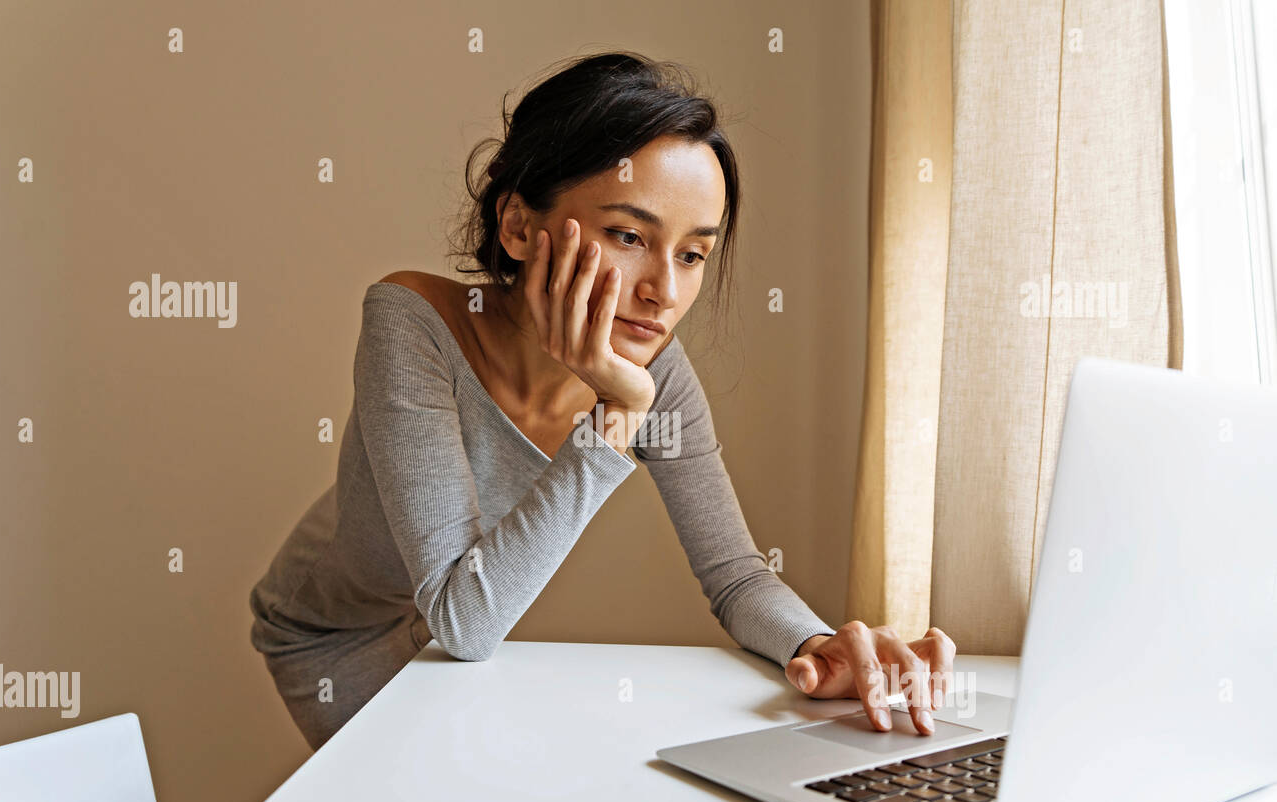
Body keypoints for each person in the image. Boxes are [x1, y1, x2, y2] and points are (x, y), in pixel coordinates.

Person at [248, 51, 956, 752]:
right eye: (628, 236)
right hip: (334, 639)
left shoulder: (653, 370)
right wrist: (616, 416)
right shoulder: (412, 323)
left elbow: (736, 576)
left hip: (445, 645)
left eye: (692, 254)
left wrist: (820, 642)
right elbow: (464, 620)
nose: (664, 292)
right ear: (520, 227)